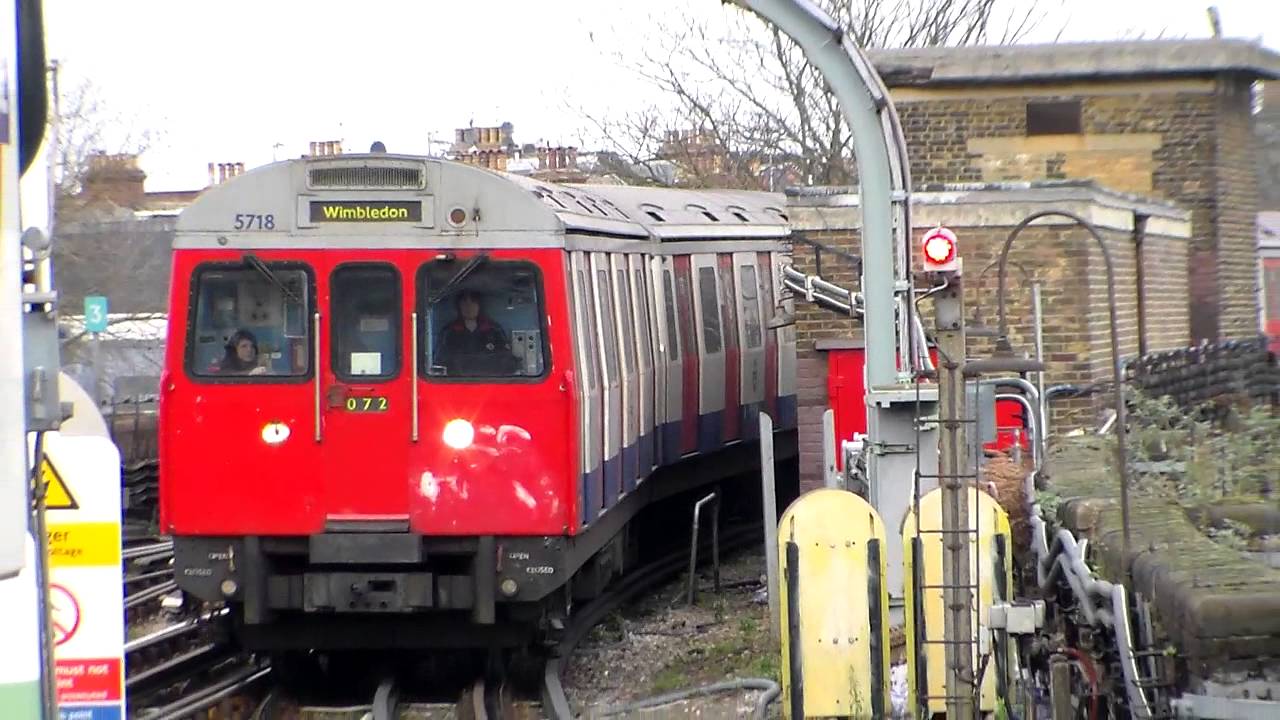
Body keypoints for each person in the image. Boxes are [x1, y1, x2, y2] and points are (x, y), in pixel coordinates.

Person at [436, 289, 516, 375]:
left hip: (490, 380)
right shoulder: (448, 332)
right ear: (458, 306)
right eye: (464, 303)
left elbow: (506, 359)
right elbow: (440, 361)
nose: (469, 307)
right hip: (457, 380)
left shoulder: (494, 330)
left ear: (480, 305)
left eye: (473, 302)